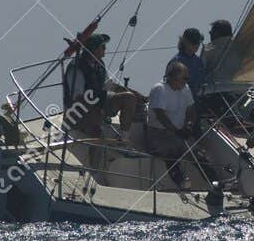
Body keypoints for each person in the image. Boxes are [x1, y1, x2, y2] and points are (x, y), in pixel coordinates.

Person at [63, 34, 139, 138]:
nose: (105, 49)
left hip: (98, 101)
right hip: (78, 110)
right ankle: (95, 139)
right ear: (94, 49)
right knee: (97, 131)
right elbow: (77, 98)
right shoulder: (76, 67)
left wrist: (134, 94)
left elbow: (109, 85)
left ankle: (123, 138)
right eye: (102, 47)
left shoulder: (99, 64)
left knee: (129, 98)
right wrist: (98, 111)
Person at [147, 60, 199, 188]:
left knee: (198, 154)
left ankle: (216, 182)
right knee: (171, 152)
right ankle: (181, 182)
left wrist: (189, 125)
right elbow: (160, 115)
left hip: (179, 133)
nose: (186, 81)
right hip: (159, 133)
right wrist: (176, 131)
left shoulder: (185, 88)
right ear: (172, 77)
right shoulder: (160, 89)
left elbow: (191, 109)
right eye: (184, 78)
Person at [171, 28, 207, 94]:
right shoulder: (177, 61)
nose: (197, 45)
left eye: (198, 42)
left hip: (195, 100)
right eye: (194, 42)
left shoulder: (198, 61)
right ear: (185, 42)